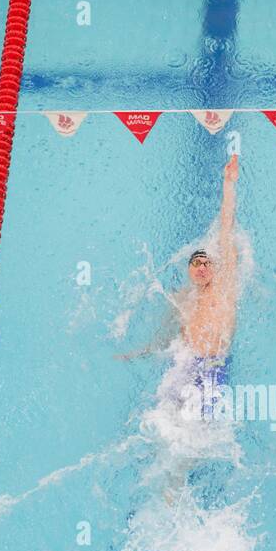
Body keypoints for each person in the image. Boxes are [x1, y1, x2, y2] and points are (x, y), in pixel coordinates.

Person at [118, 154, 241, 422]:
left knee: (200, 431)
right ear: (188, 269)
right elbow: (167, 338)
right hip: (184, 364)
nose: (202, 268)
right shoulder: (182, 298)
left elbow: (226, 229)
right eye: (196, 264)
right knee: (166, 422)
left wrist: (229, 184)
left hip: (213, 366)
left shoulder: (223, 288)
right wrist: (141, 352)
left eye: (207, 263)